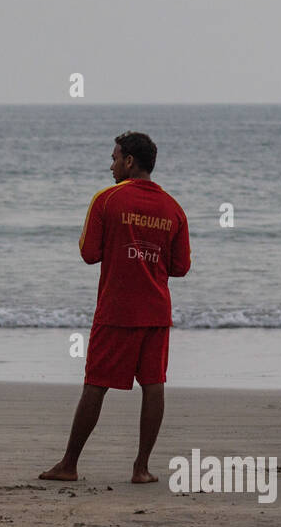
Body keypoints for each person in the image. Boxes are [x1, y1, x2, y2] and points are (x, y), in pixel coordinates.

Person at [40, 132, 190, 484]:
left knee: (95, 384)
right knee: (154, 385)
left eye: (114, 158)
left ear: (129, 162)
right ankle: (141, 467)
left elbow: (89, 253)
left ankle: (70, 464)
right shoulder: (173, 208)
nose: (110, 166)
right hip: (156, 311)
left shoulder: (107, 199)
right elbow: (180, 267)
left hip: (117, 309)